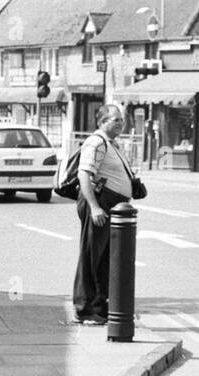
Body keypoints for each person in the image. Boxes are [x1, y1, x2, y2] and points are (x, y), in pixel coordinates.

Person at [72, 104, 133, 326]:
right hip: (99, 204)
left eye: (122, 120)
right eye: (115, 119)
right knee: (91, 256)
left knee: (105, 259)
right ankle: (84, 308)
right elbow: (84, 175)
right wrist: (95, 207)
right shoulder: (96, 142)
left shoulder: (111, 144)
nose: (120, 123)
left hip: (113, 205)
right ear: (102, 121)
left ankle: (101, 306)